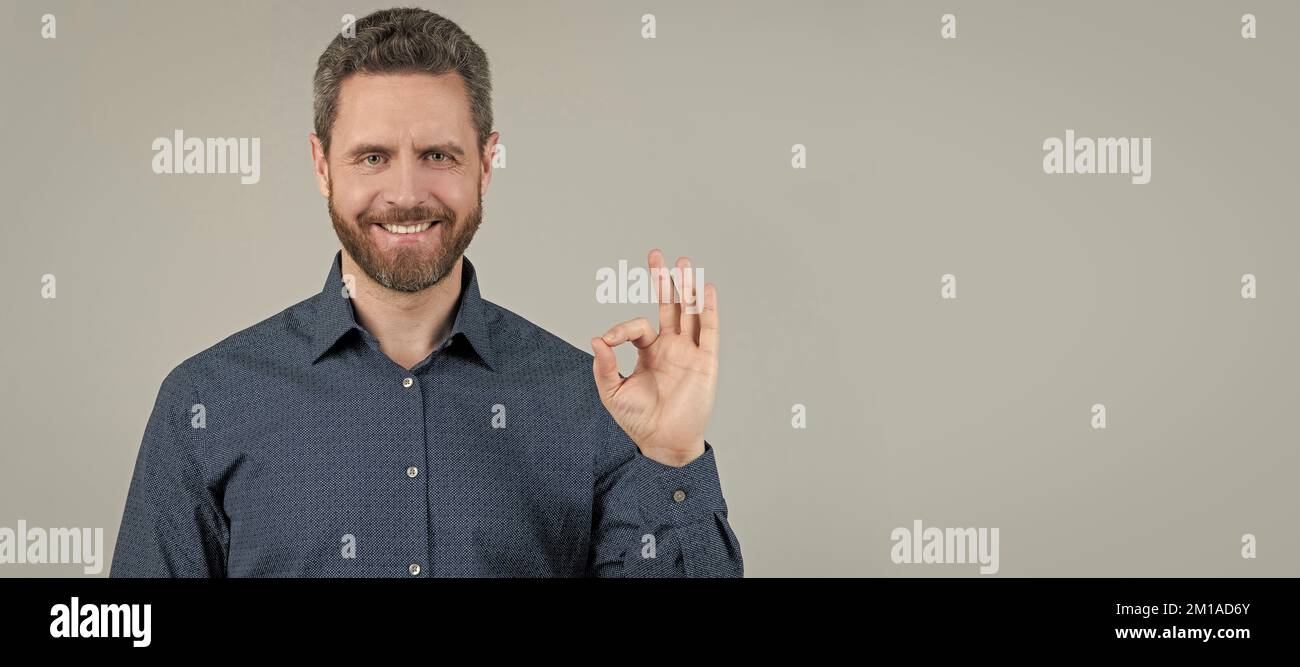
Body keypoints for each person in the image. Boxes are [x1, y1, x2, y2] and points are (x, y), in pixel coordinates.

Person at [110, 7, 741, 577]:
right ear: (322, 166)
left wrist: (672, 455)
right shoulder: (205, 402)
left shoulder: (597, 405)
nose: (407, 193)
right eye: (373, 157)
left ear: (486, 164)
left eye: (438, 155)